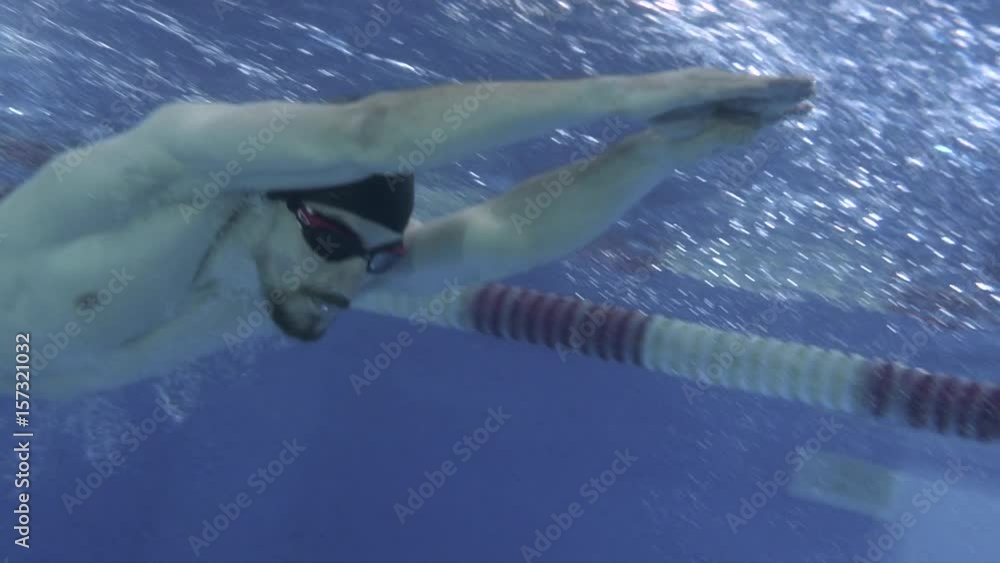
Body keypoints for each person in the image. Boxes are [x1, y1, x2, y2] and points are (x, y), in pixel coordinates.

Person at [0, 67, 815, 399]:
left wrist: (661, 150)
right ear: (268, 195)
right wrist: (630, 96)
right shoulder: (149, 177)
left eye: (376, 255)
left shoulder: (309, 259)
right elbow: (371, 133)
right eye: (333, 245)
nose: (350, 282)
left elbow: (509, 233)